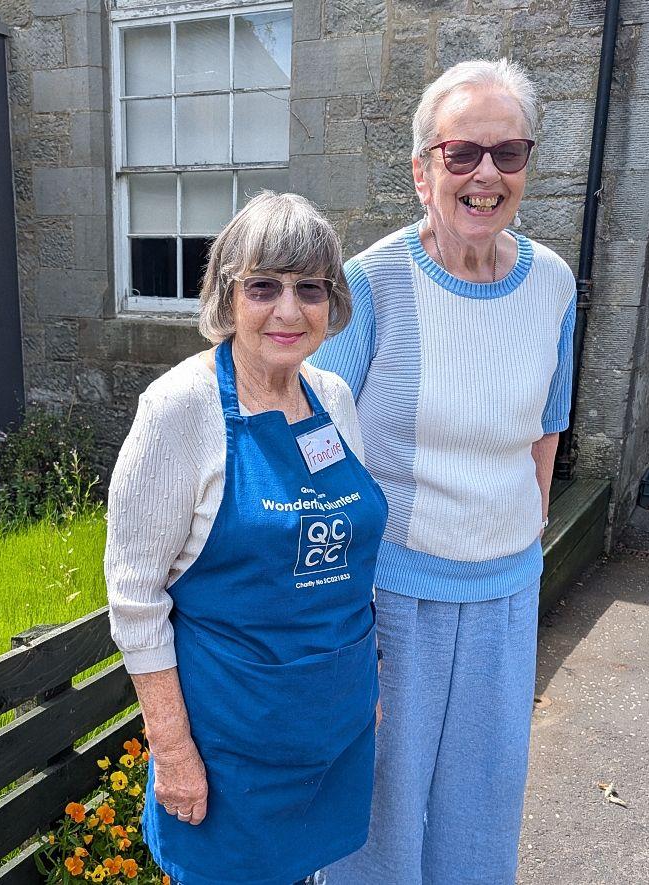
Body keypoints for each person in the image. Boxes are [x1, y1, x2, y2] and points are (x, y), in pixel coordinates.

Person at [309, 59, 576, 884]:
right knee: (378, 809)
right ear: (423, 169)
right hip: (390, 599)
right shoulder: (373, 281)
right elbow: (312, 442)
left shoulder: (554, 283)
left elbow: (548, 423)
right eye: (462, 154)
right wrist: (336, 602)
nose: (486, 175)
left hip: (503, 590)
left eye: (508, 153)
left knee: (484, 801)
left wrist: (524, 525)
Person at [105, 192, 388, 885]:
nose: (288, 310)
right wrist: (171, 750)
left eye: (309, 288)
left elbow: (351, 559)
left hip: (332, 728)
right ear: (227, 296)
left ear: (332, 302)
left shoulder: (335, 399)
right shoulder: (180, 409)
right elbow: (135, 599)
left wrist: (366, 683)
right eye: (263, 286)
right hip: (231, 746)